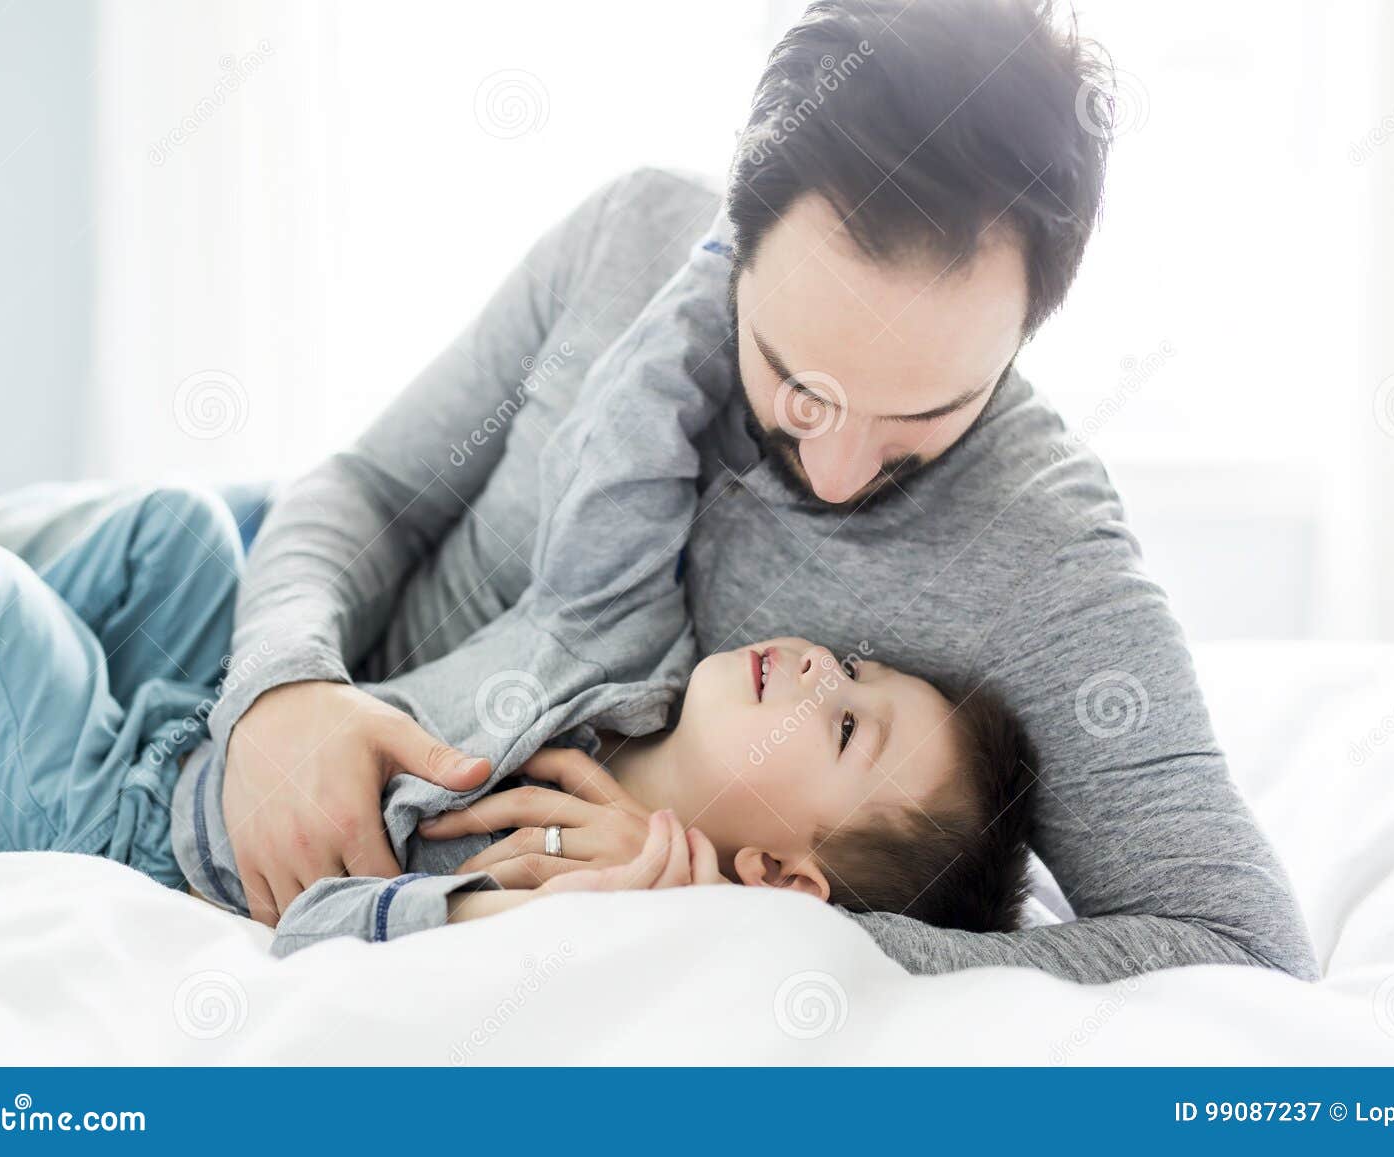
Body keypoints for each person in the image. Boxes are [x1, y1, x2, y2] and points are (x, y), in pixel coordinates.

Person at [207, 0, 1317, 982]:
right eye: (794, 384)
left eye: (925, 415)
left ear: (1028, 325)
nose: (836, 473)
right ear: (736, 242)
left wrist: (730, 916)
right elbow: (371, 486)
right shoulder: (635, 234)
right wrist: (279, 686)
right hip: (219, 573)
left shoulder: (1046, 564)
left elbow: (1241, 947)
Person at [0, 491, 1039, 957]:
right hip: (199, 727)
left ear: (783, 876)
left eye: (844, 729)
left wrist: (477, 901)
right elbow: (619, 485)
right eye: (853, 665)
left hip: (149, 833)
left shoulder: (579, 879)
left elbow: (328, 927)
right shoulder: (637, 683)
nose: (820, 669)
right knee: (181, 530)